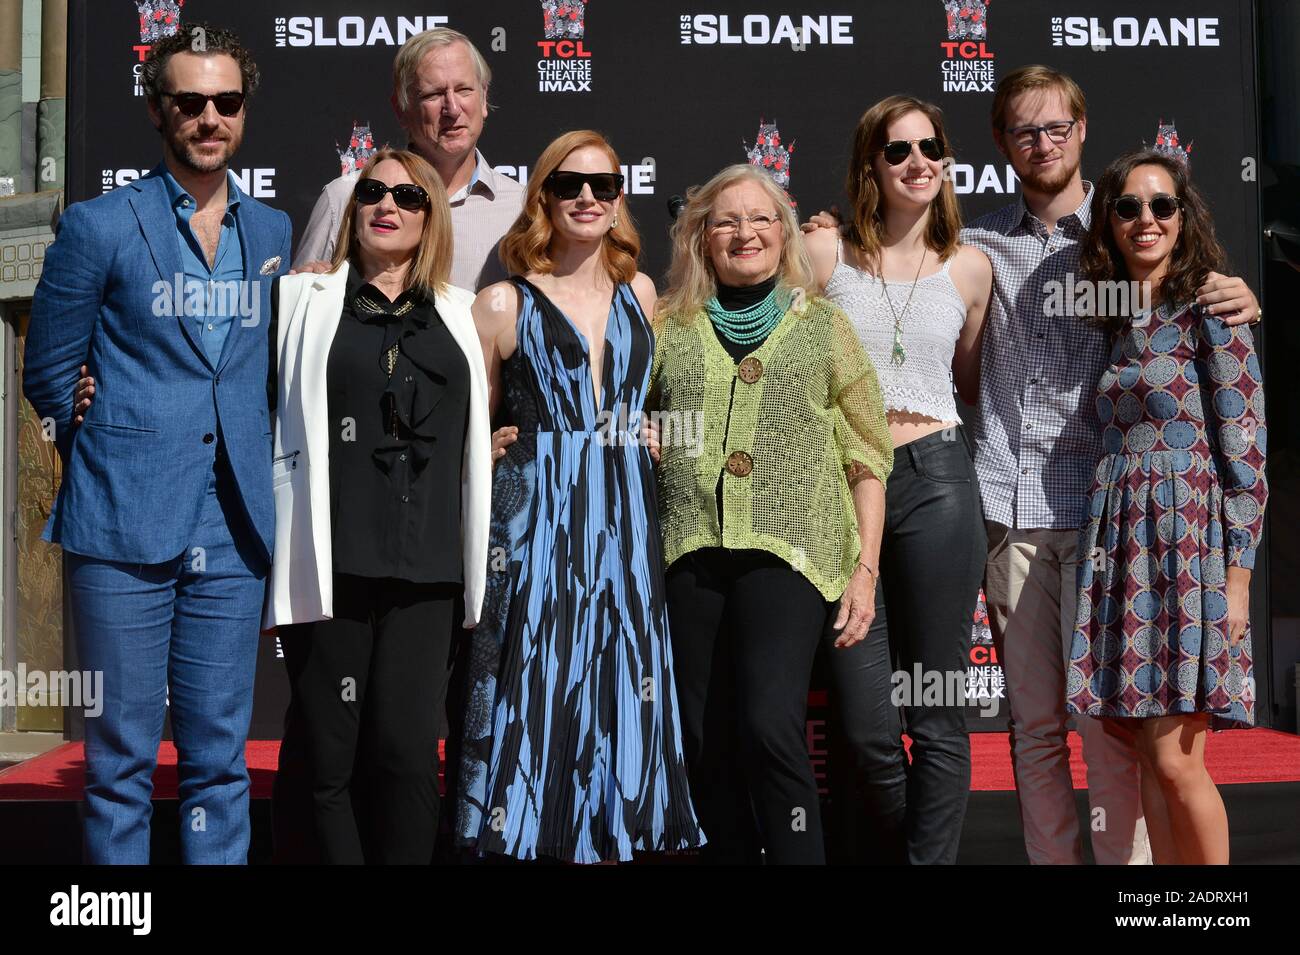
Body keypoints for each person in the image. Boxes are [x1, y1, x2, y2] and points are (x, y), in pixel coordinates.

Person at [959, 66, 1261, 864]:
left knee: (1121, 735)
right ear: (1002, 143)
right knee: (1035, 731)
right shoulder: (978, 242)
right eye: (1025, 131)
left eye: (1057, 128)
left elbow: (1242, 448)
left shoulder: (1132, 234)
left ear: (1082, 131)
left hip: (1117, 531)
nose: (1043, 142)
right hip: (1015, 505)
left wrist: (1238, 295)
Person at [22, 24, 290, 864]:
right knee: (120, 761)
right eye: (190, 102)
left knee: (219, 760)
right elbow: (49, 370)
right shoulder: (100, 227)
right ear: (158, 109)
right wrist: (91, 411)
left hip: (234, 522)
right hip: (122, 519)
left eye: (226, 102)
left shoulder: (275, 231)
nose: (209, 117)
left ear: (243, 111)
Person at [457, 130, 703, 863]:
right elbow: (474, 423)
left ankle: (617, 830)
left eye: (605, 185)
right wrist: (490, 446)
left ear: (620, 197)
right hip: (538, 517)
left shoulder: (642, 293)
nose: (589, 198)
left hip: (626, 506)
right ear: (545, 197)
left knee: (625, 671)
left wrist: (649, 430)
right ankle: (528, 834)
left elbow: (648, 398)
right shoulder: (501, 303)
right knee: (538, 677)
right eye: (571, 186)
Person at [652, 164, 894, 864]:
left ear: (783, 233)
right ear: (701, 235)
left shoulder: (821, 325)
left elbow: (867, 454)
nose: (744, 232)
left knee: (769, 724)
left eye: (760, 219)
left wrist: (865, 570)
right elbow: (631, 417)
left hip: (790, 555)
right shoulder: (670, 325)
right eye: (725, 220)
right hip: (691, 550)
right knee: (700, 736)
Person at [263, 148, 492, 864]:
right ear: (352, 207)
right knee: (328, 756)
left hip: (429, 567)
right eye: (372, 192)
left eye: (408, 196)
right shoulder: (299, 299)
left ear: (430, 220)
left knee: (405, 753)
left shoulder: (464, 313)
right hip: (332, 558)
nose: (387, 204)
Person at [803, 95, 991, 865]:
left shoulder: (972, 266)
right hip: (844, 484)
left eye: (931, 148)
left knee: (939, 710)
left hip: (940, 477)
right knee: (866, 723)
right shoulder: (823, 256)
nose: (918, 162)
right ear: (869, 165)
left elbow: (970, 381)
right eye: (898, 149)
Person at [1068, 149, 1266, 865]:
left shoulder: (1214, 305)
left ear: (1183, 218)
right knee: (1152, 757)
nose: (1145, 219)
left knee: (1181, 760)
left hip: (1191, 552)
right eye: (1127, 206)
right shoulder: (1116, 316)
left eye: (1161, 205)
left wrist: (1237, 582)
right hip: (1126, 547)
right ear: (1110, 222)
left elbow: (1247, 454)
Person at [293, 27, 523, 291]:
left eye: (464, 90)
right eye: (433, 95)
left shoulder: (521, 209)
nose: (452, 108)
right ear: (401, 109)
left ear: (484, 98)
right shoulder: (347, 198)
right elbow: (302, 311)